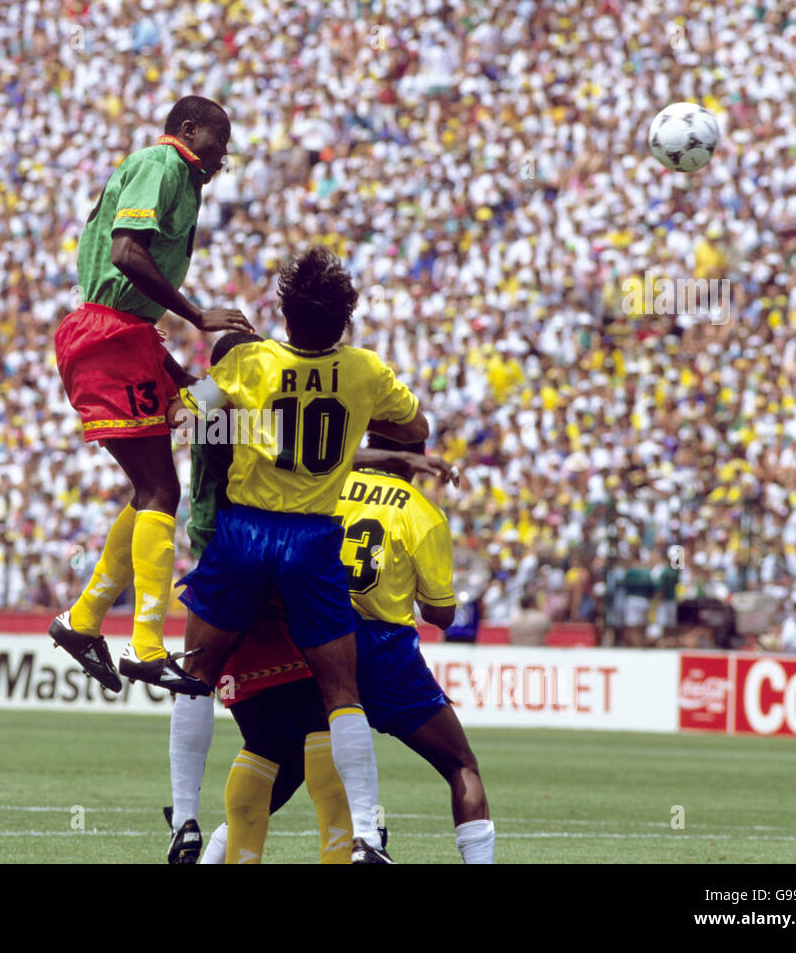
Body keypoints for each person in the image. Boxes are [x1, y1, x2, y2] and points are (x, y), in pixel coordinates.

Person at [166, 247, 428, 863]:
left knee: (196, 673)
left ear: (284, 313)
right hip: (312, 540)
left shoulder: (251, 361)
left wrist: (210, 399)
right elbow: (415, 428)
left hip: (243, 533)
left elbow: (184, 418)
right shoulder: (366, 370)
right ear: (345, 318)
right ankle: (366, 835)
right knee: (341, 692)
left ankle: (184, 819)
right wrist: (359, 423)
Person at [196, 433, 494, 864]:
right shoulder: (422, 512)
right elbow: (441, 615)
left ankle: (215, 851)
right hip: (385, 650)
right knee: (460, 764)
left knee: (281, 759)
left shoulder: (325, 484)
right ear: (415, 459)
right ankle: (369, 841)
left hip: (312, 637)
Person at [48, 95, 254, 695]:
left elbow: (127, 295)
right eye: (218, 141)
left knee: (152, 492)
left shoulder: (183, 179)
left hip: (125, 334)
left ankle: (83, 620)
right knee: (162, 491)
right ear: (189, 130)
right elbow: (125, 252)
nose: (223, 154)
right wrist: (196, 316)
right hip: (107, 334)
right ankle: (143, 646)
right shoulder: (161, 165)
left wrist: (173, 371)